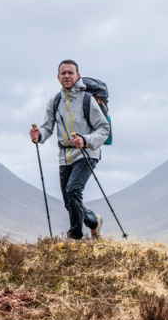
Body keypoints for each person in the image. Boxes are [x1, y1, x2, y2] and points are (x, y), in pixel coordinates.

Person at [29, 60, 110, 240]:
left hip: (87, 152)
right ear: (58, 77)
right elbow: (47, 128)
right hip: (64, 155)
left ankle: (75, 236)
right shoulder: (55, 100)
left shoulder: (87, 99)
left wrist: (86, 140)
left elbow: (104, 129)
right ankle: (94, 221)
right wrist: (38, 135)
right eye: (63, 73)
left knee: (73, 189)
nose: (67, 76)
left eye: (70, 73)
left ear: (78, 76)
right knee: (69, 200)